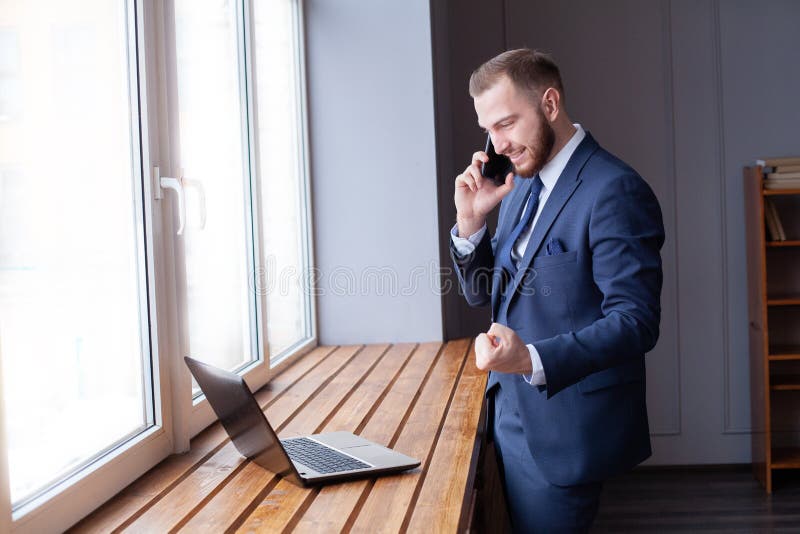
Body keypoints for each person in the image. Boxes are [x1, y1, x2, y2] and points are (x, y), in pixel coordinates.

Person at [450, 48, 664, 532]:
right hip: (503, 410)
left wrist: (531, 360)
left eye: (507, 123)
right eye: (489, 129)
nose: (497, 144)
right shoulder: (522, 181)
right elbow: (485, 293)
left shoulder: (614, 190)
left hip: (564, 428)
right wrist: (470, 225)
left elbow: (635, 322)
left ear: (550, 104)